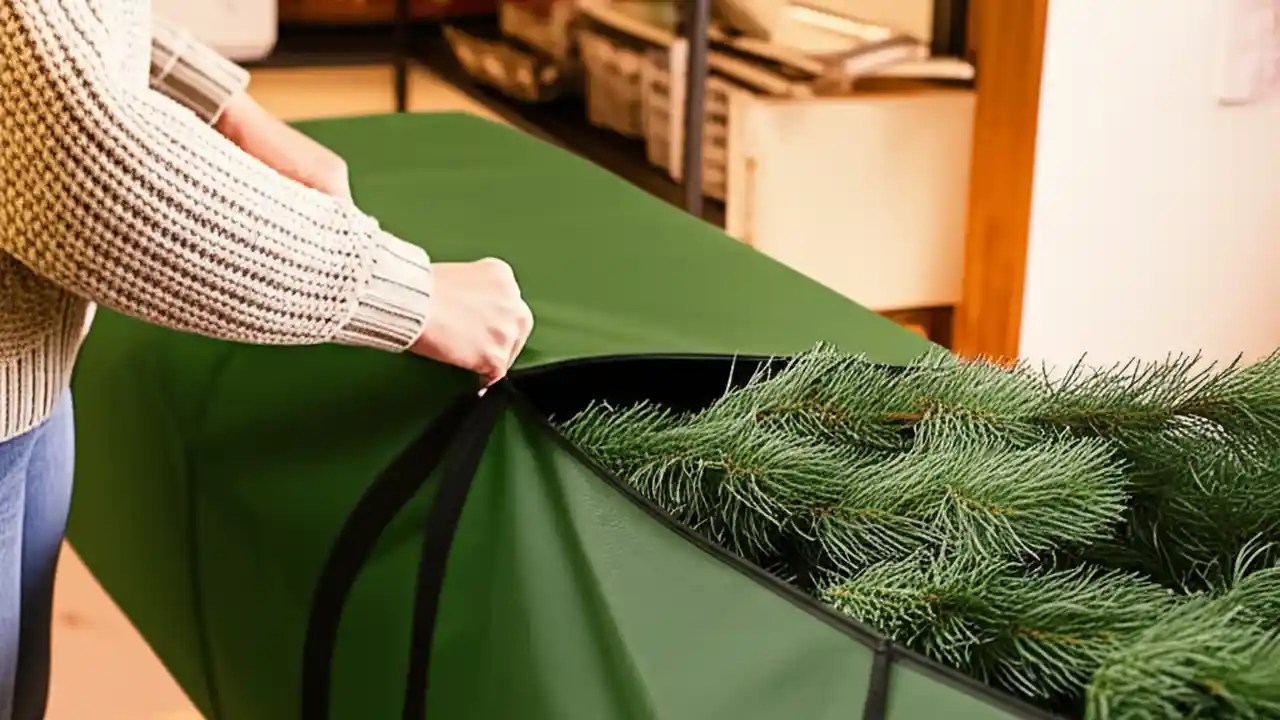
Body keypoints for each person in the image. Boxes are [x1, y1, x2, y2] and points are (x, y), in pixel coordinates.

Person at [0, 1, 534, 716]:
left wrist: (221, 105)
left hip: (30, 376)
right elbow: (86, 164)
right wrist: (409, 293)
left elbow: (48, 37)